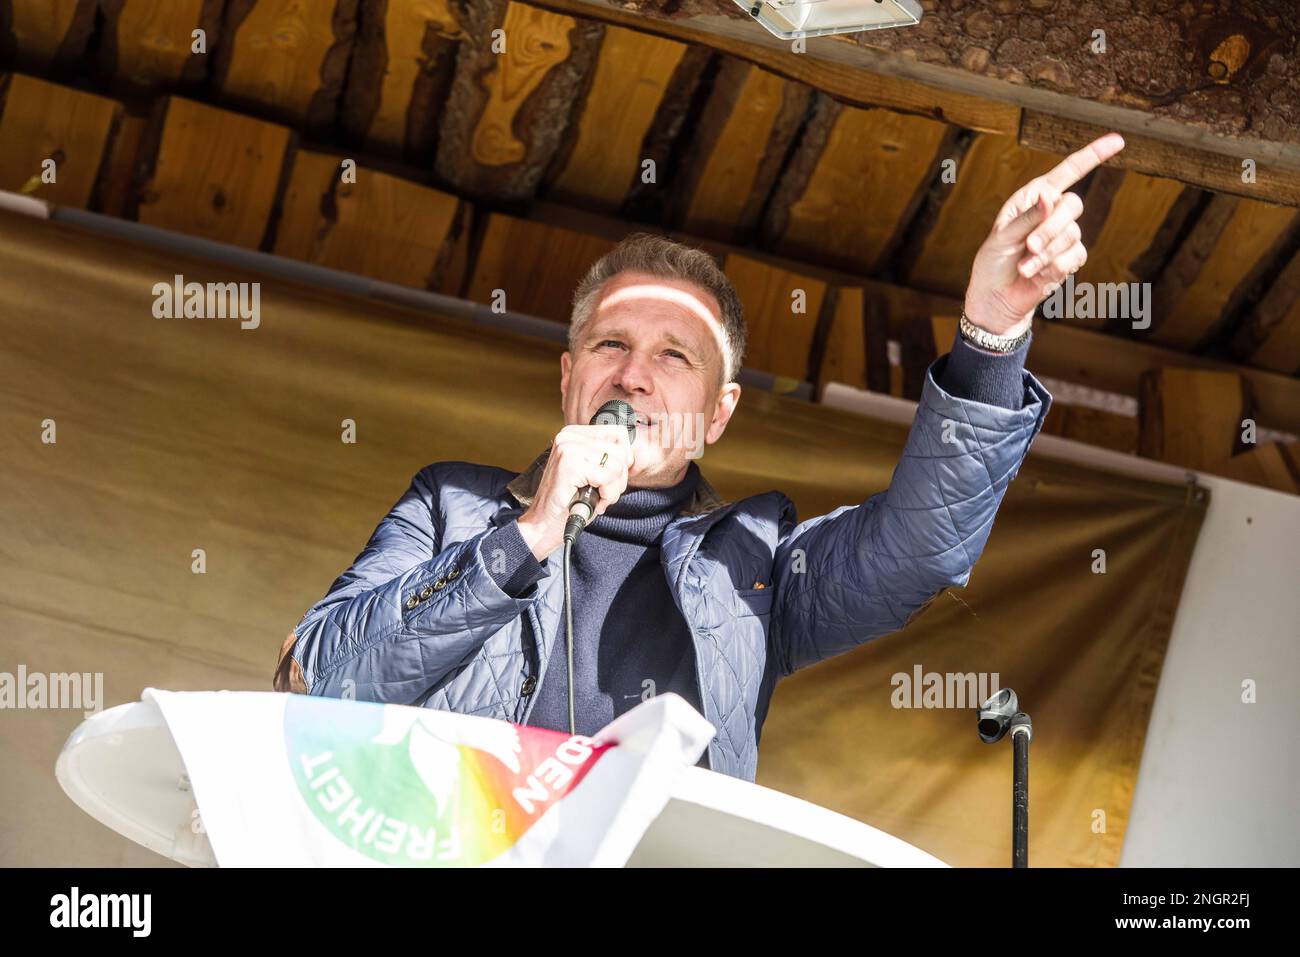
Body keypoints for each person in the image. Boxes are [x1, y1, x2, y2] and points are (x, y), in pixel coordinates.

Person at [274, 134, 1125, 782]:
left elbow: (923, 545)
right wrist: (525, 537)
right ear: (571, 378)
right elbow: (319, 684)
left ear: (718, 414)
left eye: (674, 356)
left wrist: (991, 331)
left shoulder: (753, 563)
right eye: (611, 343)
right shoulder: (452, 506)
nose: (634, 374)